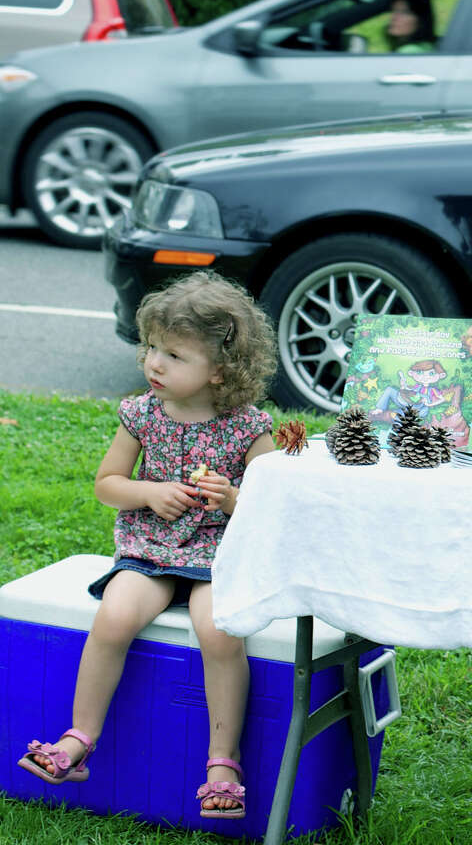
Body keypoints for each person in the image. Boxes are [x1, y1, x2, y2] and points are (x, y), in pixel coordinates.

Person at [17, 272, 278, 820]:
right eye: (151, 348)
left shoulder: (250, 427)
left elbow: (270, 509)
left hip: (216, 554)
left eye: (174, 355)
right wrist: (150, 492)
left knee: (220, 631)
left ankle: (222, 763)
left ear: (221, 370)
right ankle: (78, 740)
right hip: (151, 548)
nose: (154, 363)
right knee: (114, 617)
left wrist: (230, 497)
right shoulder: (141, 415)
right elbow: (108, 484)